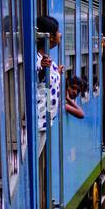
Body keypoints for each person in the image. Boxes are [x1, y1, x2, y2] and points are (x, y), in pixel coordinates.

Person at [36, 15, 62, 150]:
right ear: (50, 36)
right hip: (38, 122)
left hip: (46, 120)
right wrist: (42, 71)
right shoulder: (37, 59)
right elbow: (36, 80)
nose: (60, 34)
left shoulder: (47, 59)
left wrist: (57, 72)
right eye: (57, 32)